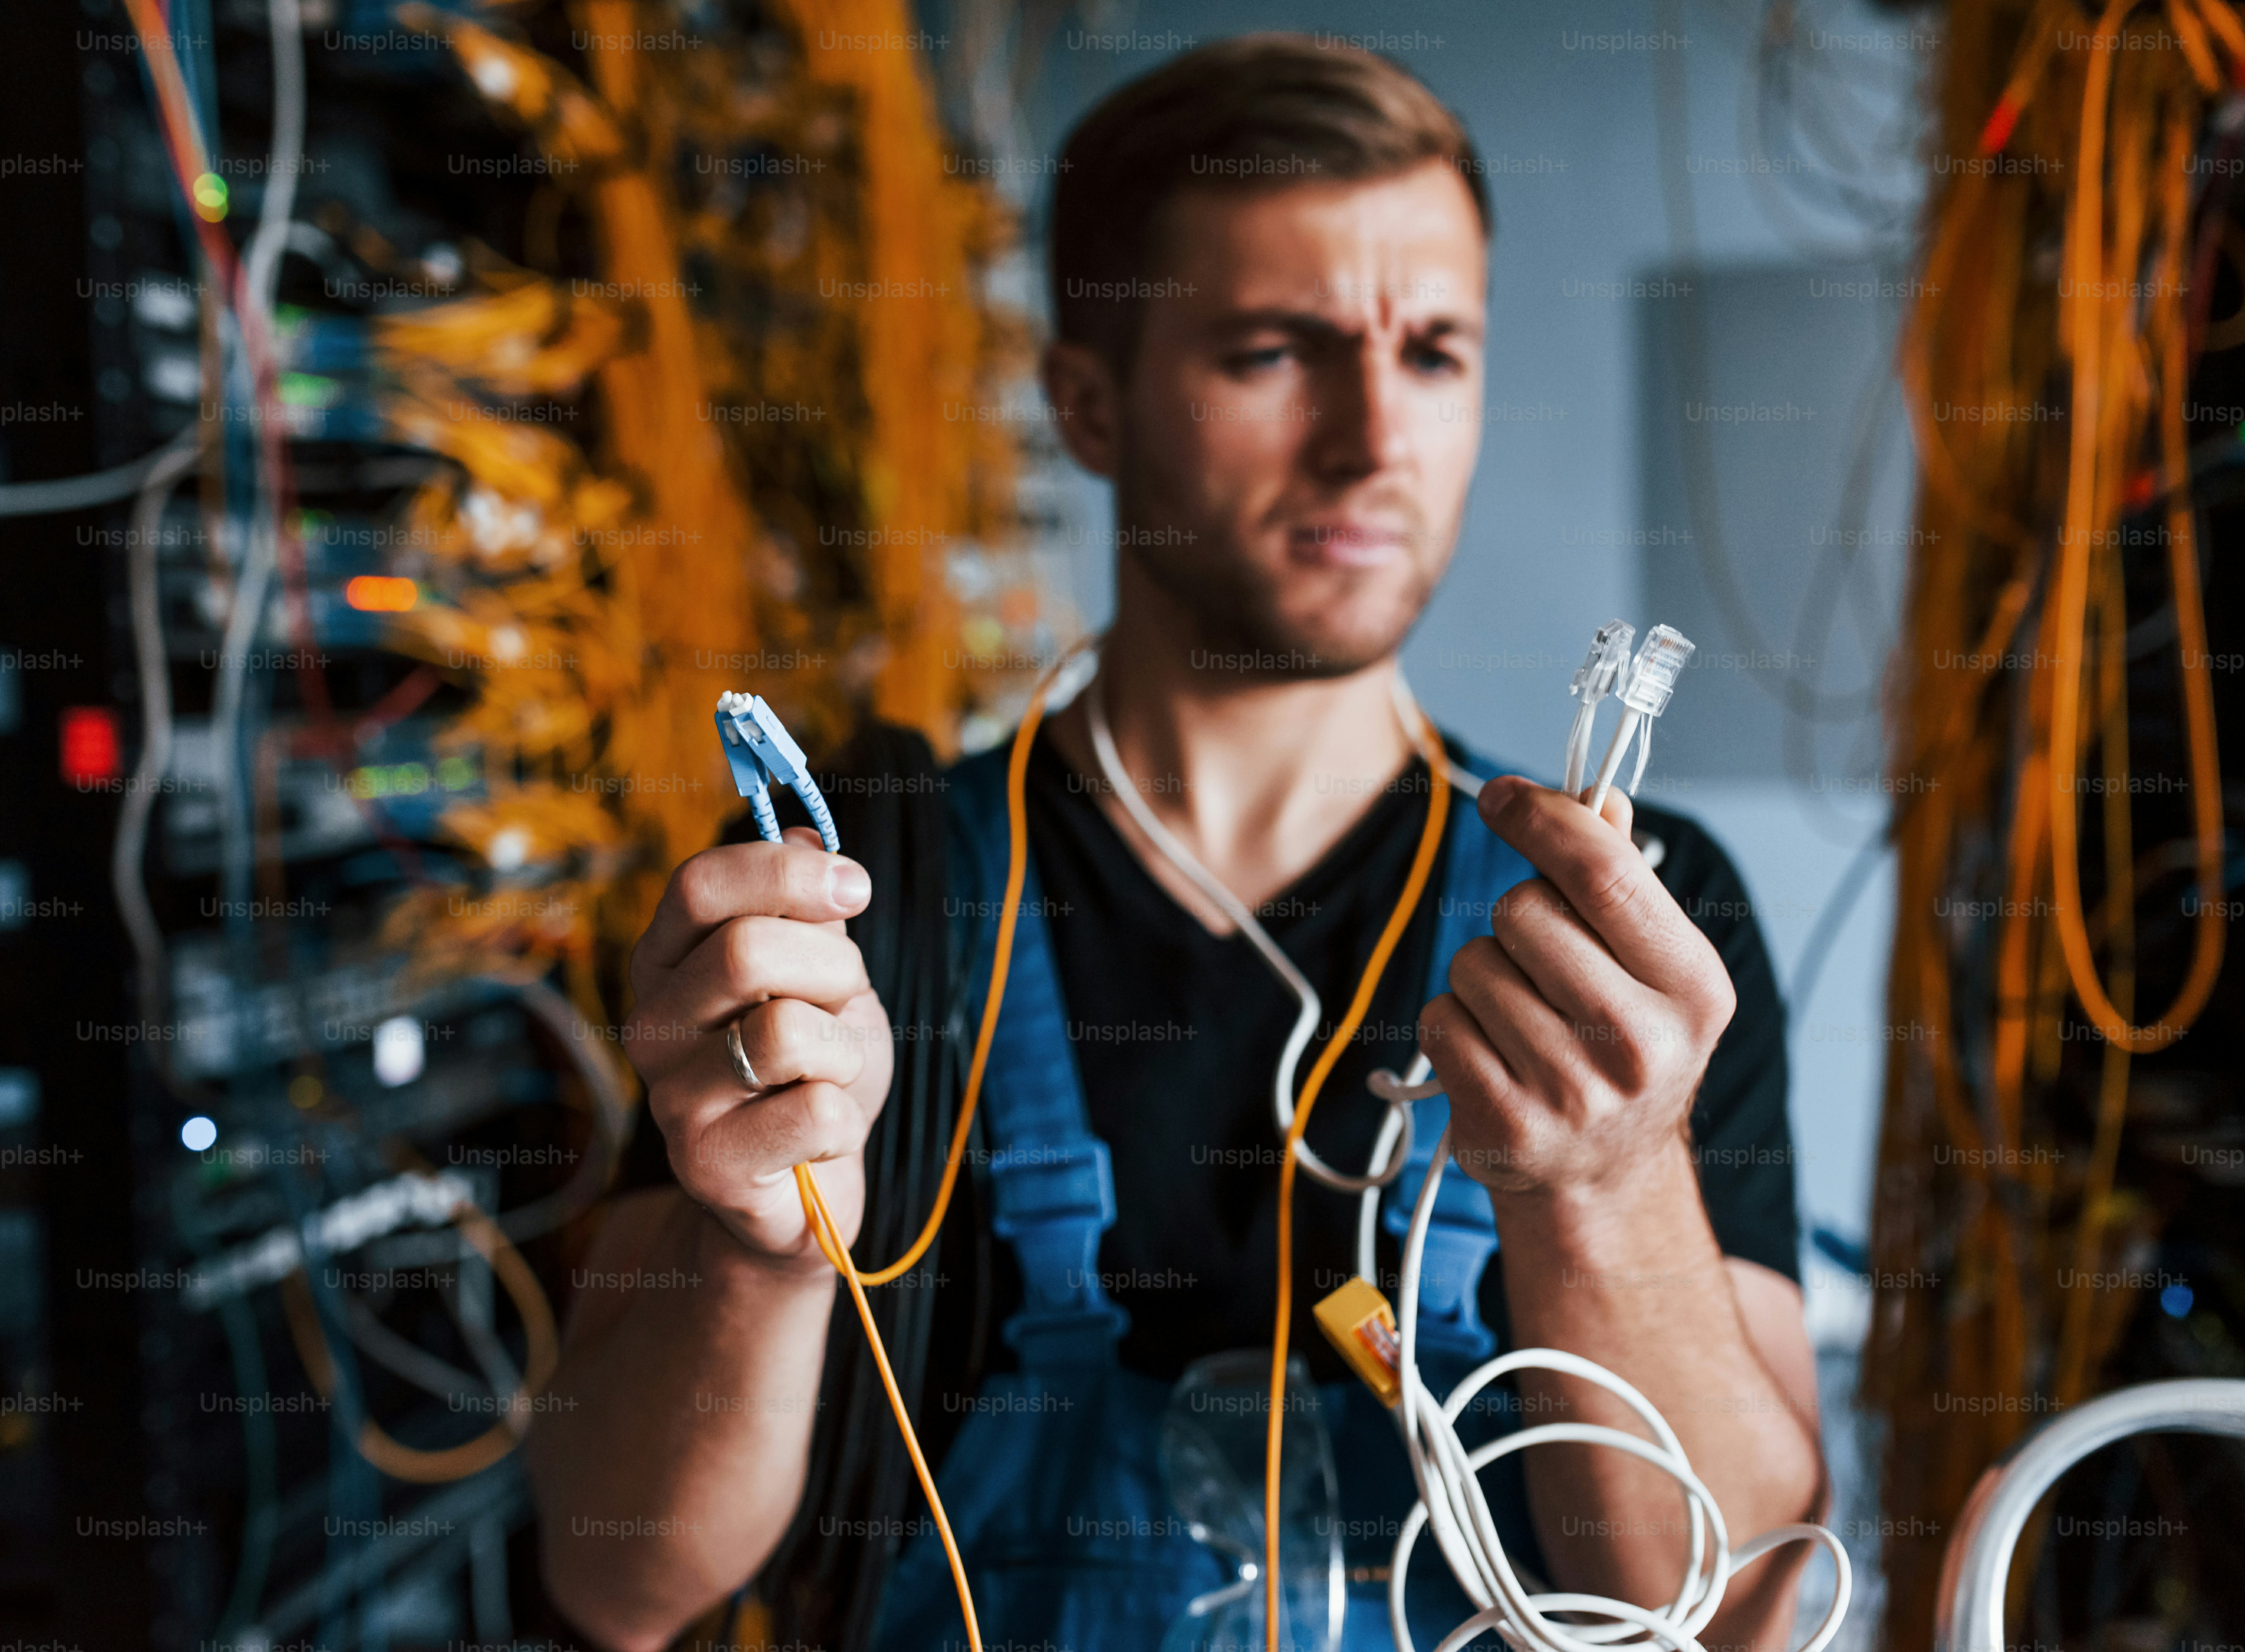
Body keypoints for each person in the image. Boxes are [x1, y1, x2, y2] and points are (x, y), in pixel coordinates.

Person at [531, 34, 1827, 1652]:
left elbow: (1749, 1614)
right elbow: (618, 1578)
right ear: (1087, 400)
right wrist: (759, 1255)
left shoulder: (1636, 919)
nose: (1373, 440)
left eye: (1433, 350)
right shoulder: (851, 894)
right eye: (1275, 351)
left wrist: (1606, 1188)